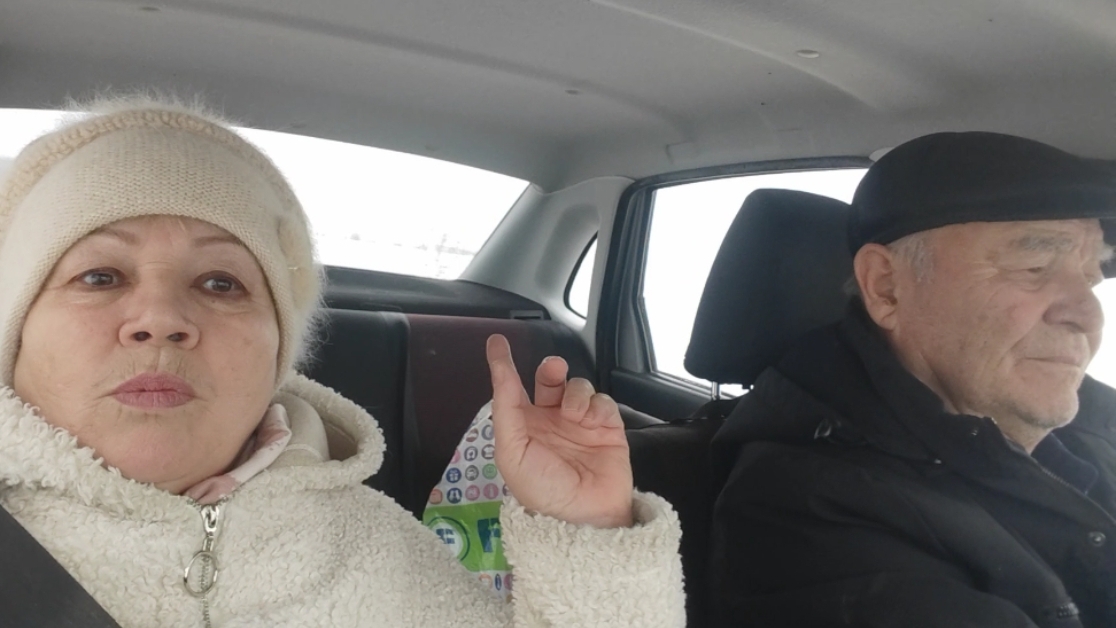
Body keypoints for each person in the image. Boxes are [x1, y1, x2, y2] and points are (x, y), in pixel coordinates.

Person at [0, 97, 685, 627]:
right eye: (99, 276)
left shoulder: (375, 545)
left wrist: (592, 537)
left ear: (278, 348)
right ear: (16, 328)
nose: (160, 318)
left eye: (220, 282)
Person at [709, 132, 1116, 627]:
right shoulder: (810, 511)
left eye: (1092, 278)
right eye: (1034, 266)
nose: (1088, 316)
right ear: (887, 287)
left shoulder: (1093, 425)